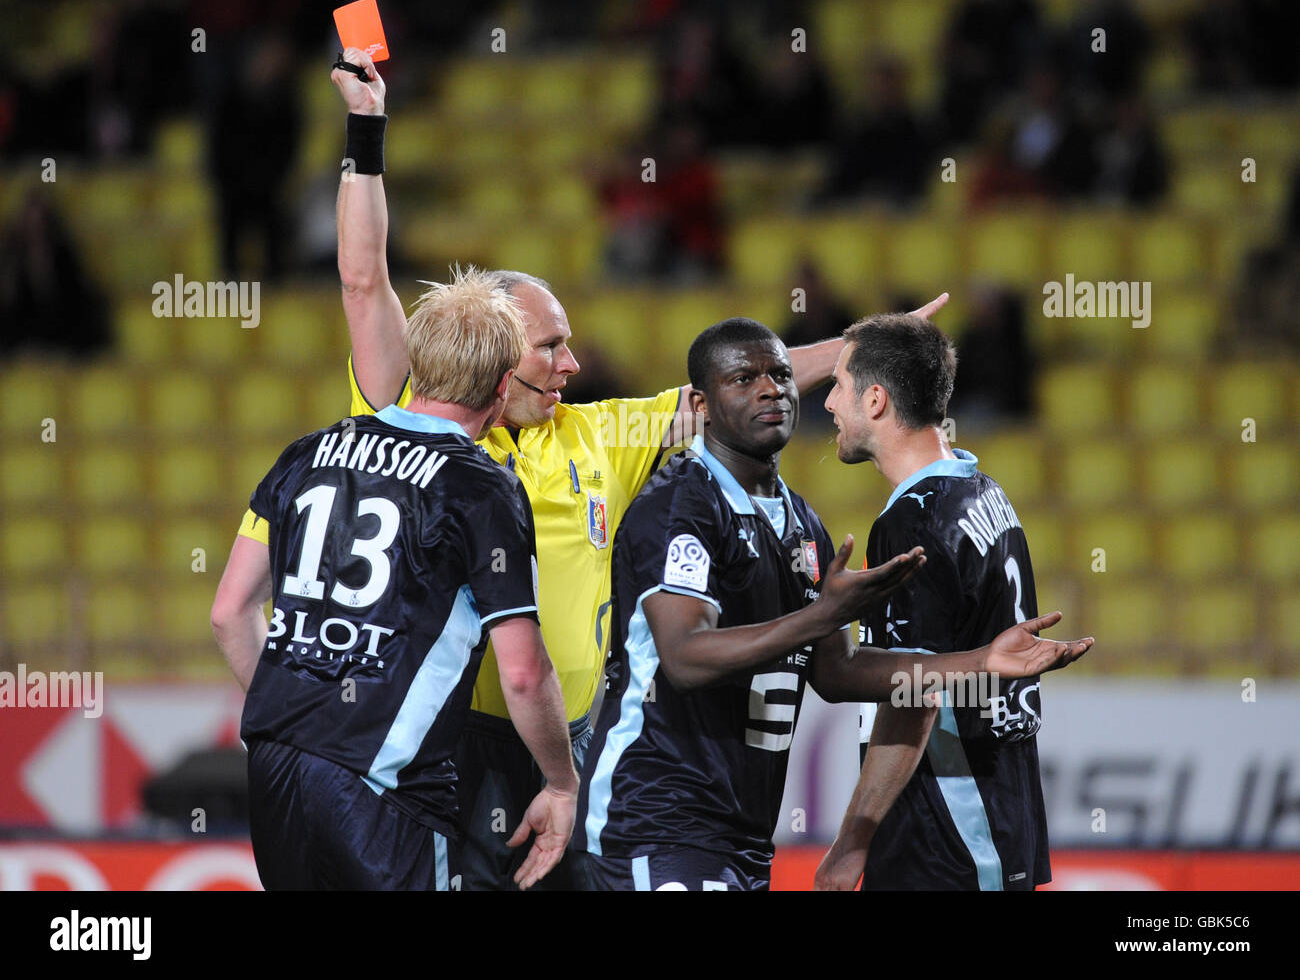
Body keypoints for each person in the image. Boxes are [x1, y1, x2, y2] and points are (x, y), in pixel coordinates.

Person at [261, 46, 947, 890]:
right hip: (462, 746)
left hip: (575, 747)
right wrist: (367, 131)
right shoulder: (432, 422)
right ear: (496, 353)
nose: (573, 362)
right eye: (552, 346)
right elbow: (364, 283)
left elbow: (749, 377)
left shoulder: (600, 436)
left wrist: (867, 346)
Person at [573, 318, 1093, 891]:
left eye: (780, 375)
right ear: (700, 404)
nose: (772, 389)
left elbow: (838, 672)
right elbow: (685, 657)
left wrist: (978, 661)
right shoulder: (679, 505)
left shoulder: (804, 525)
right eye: (744, 378)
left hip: (741, 836)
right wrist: (822, 615)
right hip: (656, 820)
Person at [209, 268, 578, 891]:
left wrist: (305, 725)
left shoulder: (307, 453)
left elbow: (228, 612)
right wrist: (561, 782)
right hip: (385, 789)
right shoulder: (482, 486)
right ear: (500, 383)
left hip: (277, 767)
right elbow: (522, 671)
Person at [817, 313, 1070, 891]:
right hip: (1004, 815)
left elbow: (913, 697)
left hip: (949, 831)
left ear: (875, 400)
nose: (828, 403)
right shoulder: (980, 488)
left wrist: (851, 843)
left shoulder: (914, 520)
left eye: (837, 385)